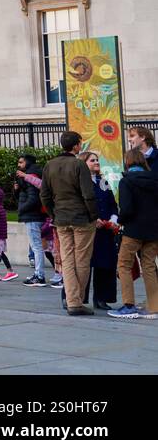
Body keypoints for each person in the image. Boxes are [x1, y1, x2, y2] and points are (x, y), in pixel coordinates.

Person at [41, 131, 99, 315]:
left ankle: (72, 300)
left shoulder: (49, 165)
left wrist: (53, 214)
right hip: (81, 218)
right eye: (80, 144)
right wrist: (93, 215)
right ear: (76, 146)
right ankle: (76, 301)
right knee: (81, 260)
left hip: (61, 219)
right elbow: (88, 194)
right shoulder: (78, 164)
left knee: (67, 260)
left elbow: (44, 195)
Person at [110, 148, 158, 319]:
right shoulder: (154, 179)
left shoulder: (126, 181)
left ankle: (128, 304)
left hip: (133, 230)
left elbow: (127, 208)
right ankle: (154, 306)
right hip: (154, 230)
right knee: (149, 266)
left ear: (128, 162)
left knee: (124, 265)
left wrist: (120, 220)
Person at [80, 151, 119, 311]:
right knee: (84, 265)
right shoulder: (80, 182)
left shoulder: (103, 182)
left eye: (97, 160)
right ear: (84, 163)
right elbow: (79, 204)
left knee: (105, 265)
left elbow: (112, 204)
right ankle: (79, 297)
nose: (96, 162)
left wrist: (113, 219)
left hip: (105, 231)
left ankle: (102, 298)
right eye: (92, 160)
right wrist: (92, 219)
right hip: (88, 230)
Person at [14, 154, 48, 286]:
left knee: (36, 246)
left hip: (33, 216)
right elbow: (26, 194)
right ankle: (39, 274)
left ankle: (39, 275)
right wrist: (17, 190)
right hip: (35, 215)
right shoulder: (30, 175)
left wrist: (22, 209)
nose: (19, 165)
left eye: (21, 162)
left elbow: (33, 198)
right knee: (38, 246)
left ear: (27, 163)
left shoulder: (30, 175)